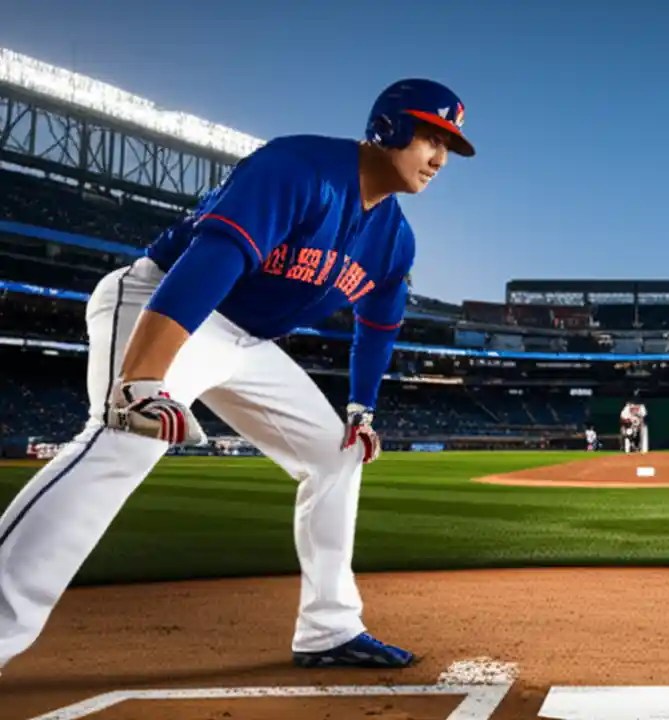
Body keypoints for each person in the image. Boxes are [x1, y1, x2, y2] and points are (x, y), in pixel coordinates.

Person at [0, 78, 475, 672]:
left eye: (448, 147)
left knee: (336, 455)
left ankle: (329, 629)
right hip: (165, 298)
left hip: (247, 342)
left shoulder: (395, 239)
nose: (438, 158)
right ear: (389, 129)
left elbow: (378, 324)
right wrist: (143, 377)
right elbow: (214, 258)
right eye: (430, 137)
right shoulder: (300, 167)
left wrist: (360, 408)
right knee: (124, 436)